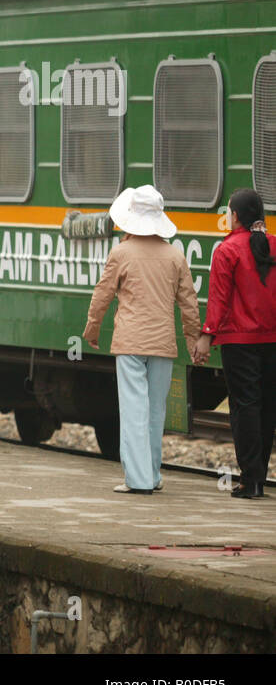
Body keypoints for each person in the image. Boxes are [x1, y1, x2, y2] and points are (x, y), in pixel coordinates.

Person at [83, 185, 201, 494]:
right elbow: (189, 303)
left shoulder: (121, 253)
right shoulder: (175, 256)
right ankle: (152, 475)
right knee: (155, 411)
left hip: (131, 343)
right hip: (163, 344)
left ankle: (138, 481)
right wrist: (193, 340)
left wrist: (92, 328)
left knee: (134, 409)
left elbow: (102, 294)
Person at [192, 188, 276, 499]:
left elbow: (219, 300)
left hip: (238, 342)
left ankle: (249, 481)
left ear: (235, 216)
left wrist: (206, 335)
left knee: (245, 407)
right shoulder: (273, 245)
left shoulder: (227, 251)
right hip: (272, 341)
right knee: (267, 408)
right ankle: (260, 480)